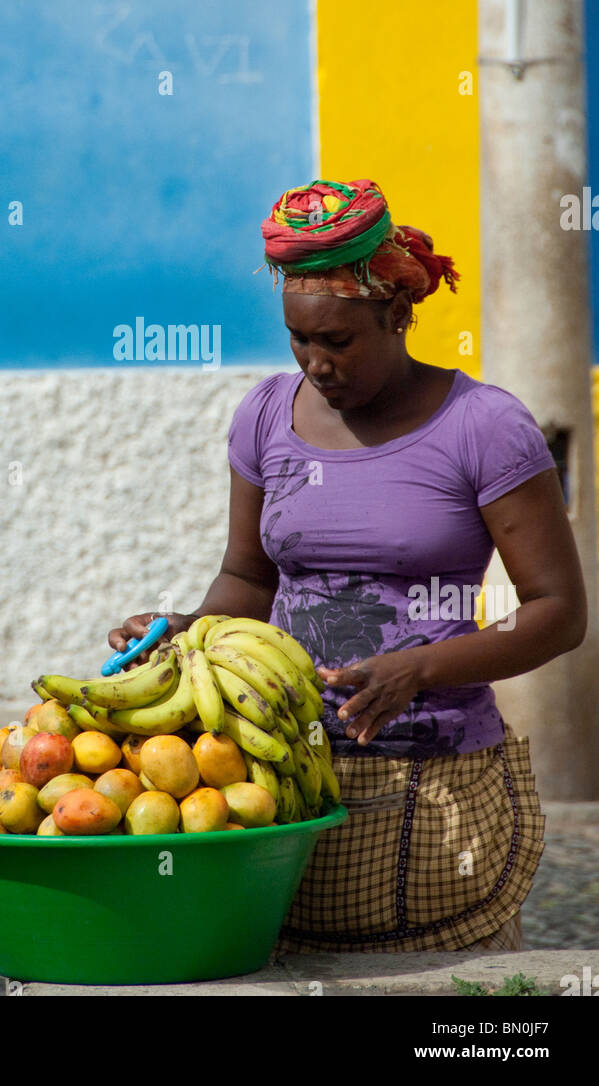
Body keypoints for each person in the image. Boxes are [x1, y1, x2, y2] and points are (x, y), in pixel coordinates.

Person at [109, 178, 587, 952]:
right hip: (282, 771)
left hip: (434, 782)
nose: (316, 363)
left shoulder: (483, 427)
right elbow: (248, 579)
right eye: (299, 339)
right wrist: (184, 631)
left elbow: (557, 612)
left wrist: (418, 670)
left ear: (397, 315)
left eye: (338, 341)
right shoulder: (265, 415)